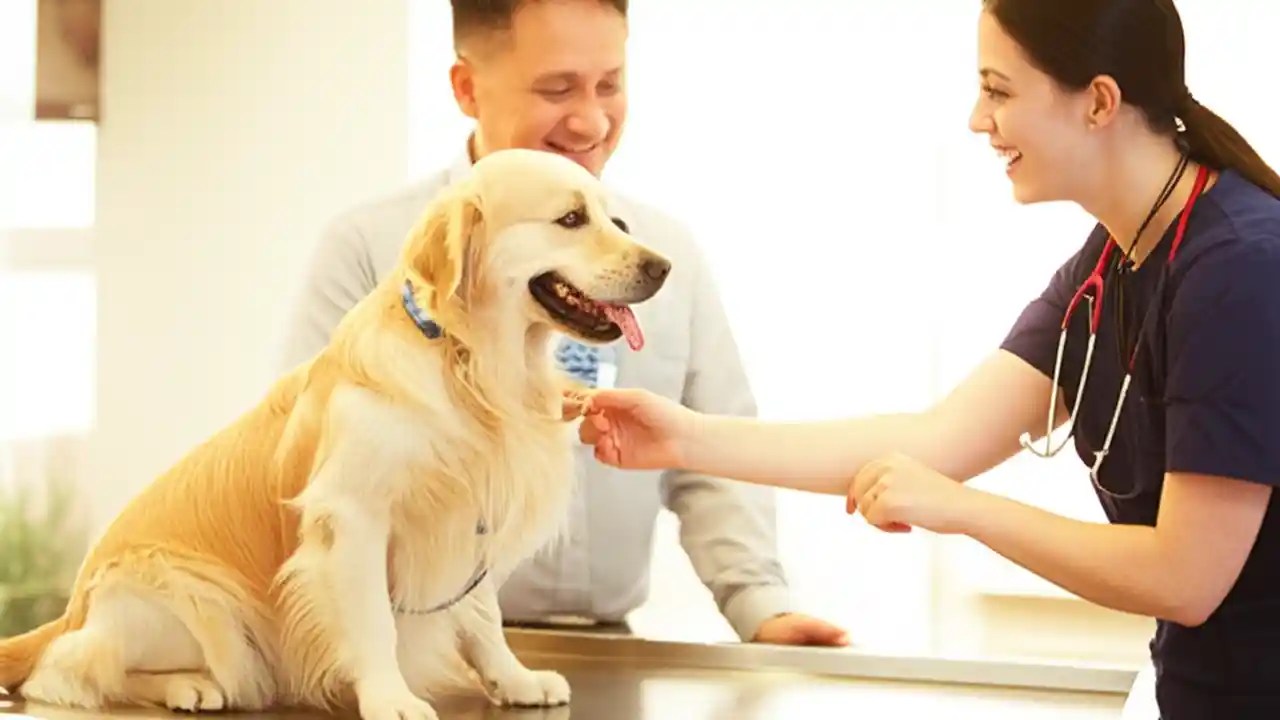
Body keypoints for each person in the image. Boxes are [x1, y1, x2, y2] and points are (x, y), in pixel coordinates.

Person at [577, 0, 1280, 716]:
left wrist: (965, 511)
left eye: (999, 90)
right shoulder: (1112, 264)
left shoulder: (1238, 269)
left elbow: (1185, 578)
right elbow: (932, 441)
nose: (979, 118)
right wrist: (683, 438)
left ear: (1099, 101)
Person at [275, 0, 847, 647]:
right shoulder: (373, 245)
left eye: (611, 84)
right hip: (415, 652)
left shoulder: (661, 254)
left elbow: (714, 448)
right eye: (557, 89)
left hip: (608, 645)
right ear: (466, 88)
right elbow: (308, 457)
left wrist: (760, 605)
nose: (592, 120)